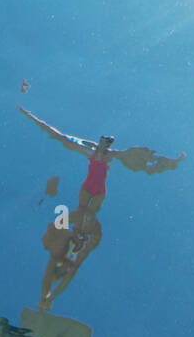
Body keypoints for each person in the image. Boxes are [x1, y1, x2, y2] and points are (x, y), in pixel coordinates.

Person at [19, 106, 185, 306]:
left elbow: (142, 159)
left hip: (92, 193)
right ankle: (47, 296)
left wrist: (171, 162)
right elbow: (58, 135)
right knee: (84, 212)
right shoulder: (97, 154)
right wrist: (32, 117)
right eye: (103, 144)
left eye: (106, 145)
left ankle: (47, 295)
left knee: (84, 212)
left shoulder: (106, 156)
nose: (104, 147)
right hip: (92, 193)